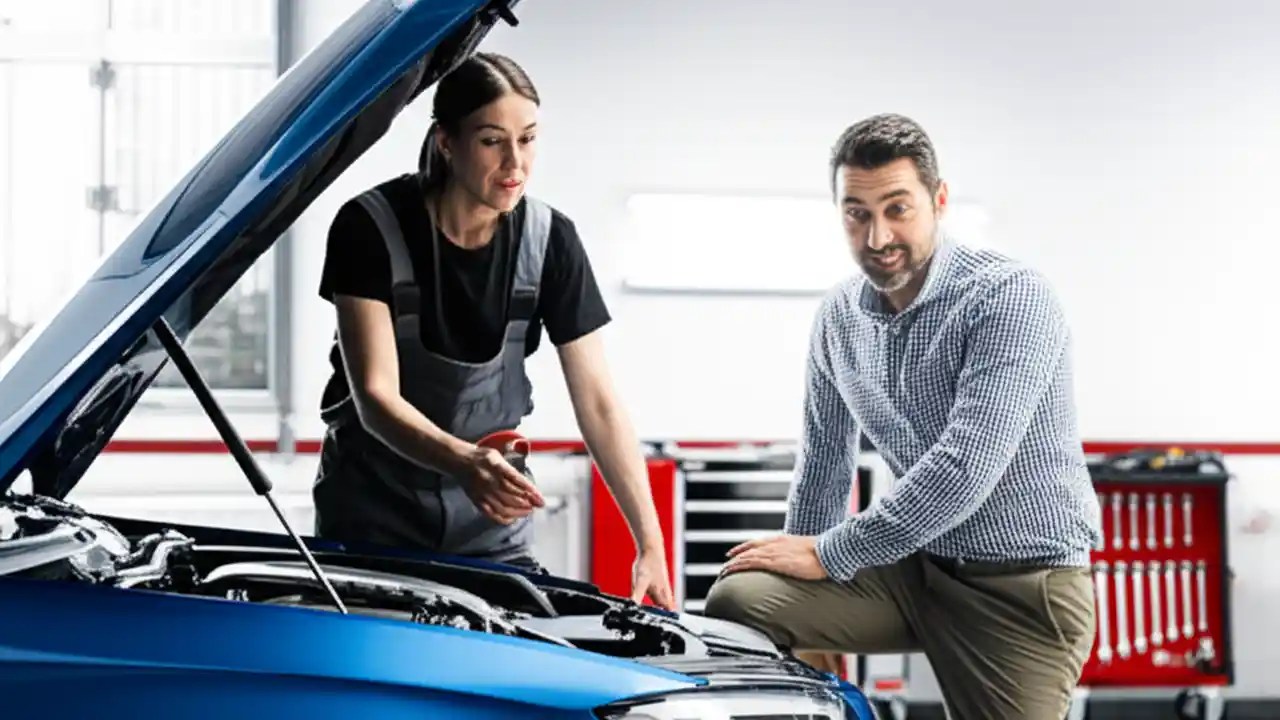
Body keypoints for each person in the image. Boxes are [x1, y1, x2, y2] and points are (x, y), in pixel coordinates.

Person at [703, 113, 1102, 718]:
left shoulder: (1010, 297)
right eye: (856, 213)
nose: (877, 237)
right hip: (917, 573)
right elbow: (824, 463)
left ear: (938, 201)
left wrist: (831, 553)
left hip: (1020, 588)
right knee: (743, 596)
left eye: (897, 209)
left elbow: (964, 469)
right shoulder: (839, 315)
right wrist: (809, 584)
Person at [312, 52, 675, 610]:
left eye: (528, 140)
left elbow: (599, 404)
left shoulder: (551, 240)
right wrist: (463, 461)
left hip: (489, 538)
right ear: (446, 142)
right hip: (370, 531)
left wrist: (649, 543)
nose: (515, 163)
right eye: (491, 140)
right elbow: (375, 397)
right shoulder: (369, 228)